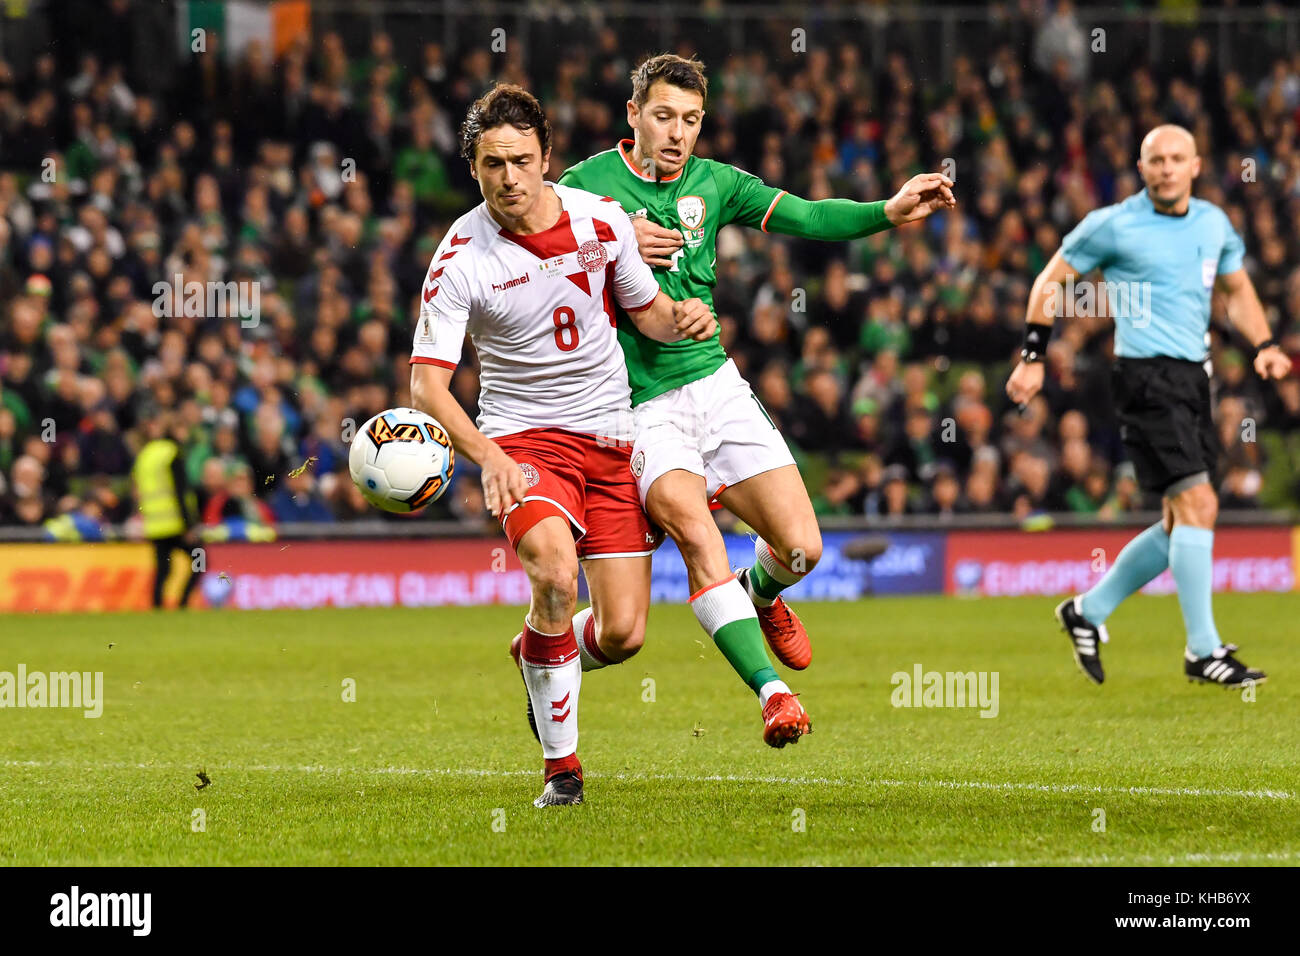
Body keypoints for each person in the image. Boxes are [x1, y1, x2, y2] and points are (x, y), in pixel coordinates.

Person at [559, 54, 954, 742]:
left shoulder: (716, 183)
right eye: (662, 117)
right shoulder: (584, 186)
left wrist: (888, 211)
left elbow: (809, 216)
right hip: (639, 407)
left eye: (690, 120)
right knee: (697, 538)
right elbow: (534, 258)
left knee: (802, 549)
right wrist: (606, 243)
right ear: (633, 116)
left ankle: (760, 594)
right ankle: (773, 694)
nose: (677, 133)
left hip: (717, 388)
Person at [407, 84, 716, 807]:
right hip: (527, 443)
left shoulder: (601, 221)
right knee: (551, 572)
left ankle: (538, 652)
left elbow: (652, 317)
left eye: (521, 160)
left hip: (611, 439)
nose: (509, 178)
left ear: (547, 156)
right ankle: (562, 772)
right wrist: (491, 458)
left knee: (625, 634)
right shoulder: (460, 258)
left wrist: (687, 318)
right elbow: (426, 386)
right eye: (492, 165)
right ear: (474, 169)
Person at [1006, 124, 1292, 687]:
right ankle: (1202, 651)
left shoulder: (1214, 223)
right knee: (1200, 505)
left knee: (1176, 521)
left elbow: (1236, 291)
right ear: (1141, 168)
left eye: (1176, 158)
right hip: (1144, 379)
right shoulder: (1112, 224)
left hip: (1193, 381)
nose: (1165, 167)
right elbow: (1050, 281)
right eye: (1155, 159)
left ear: (1195, 165)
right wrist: (1033, 354)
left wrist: (1264, 345)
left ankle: (1086, 611)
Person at [131, 412, 201, 609]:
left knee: (163, 569)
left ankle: (157, 606)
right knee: (200, 559)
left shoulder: (146, 454)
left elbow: (138, 490)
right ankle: (183, 603)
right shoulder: (172, 452)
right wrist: (189, 524)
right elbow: (179, 491)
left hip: (154, 523)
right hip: (176, 522)